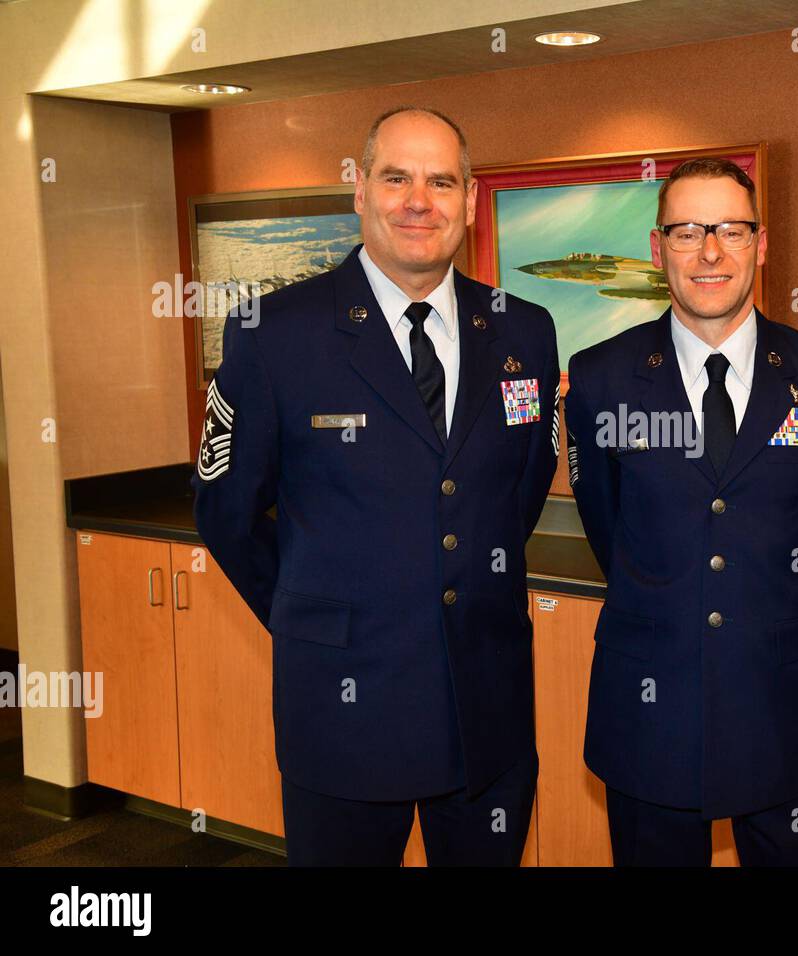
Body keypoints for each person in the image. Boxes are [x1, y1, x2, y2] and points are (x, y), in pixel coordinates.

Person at [193, 106, 559, 865]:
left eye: (440, 181)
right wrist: (311, 615)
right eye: (397, 178)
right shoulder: (273, 331)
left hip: (485, 709)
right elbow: (228, 513)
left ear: (470, 198)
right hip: (343, 706)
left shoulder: (524, 329)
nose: (418, 200)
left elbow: (517, 494)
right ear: (359, 190)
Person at [565, 158, 798, 866]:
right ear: (656, 248)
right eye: (687, 231)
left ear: (760, 245)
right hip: (649, 707)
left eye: (731, 230)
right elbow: (610, 529)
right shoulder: (599, 377)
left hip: (783, 705)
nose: (710, 252)